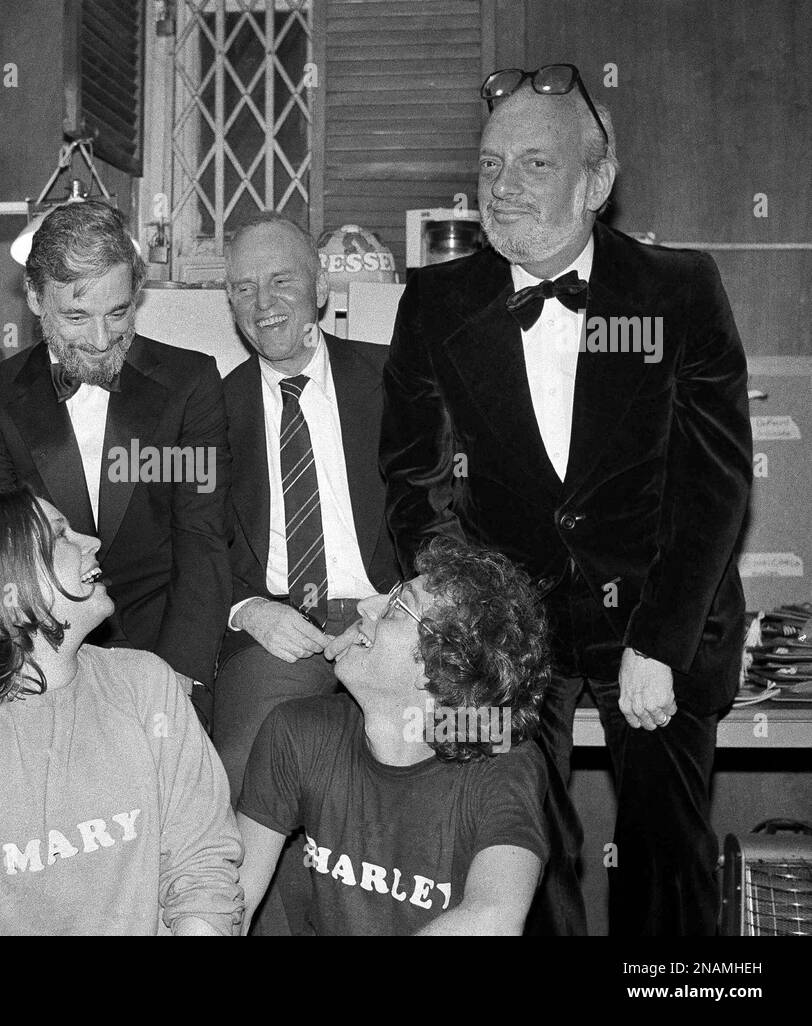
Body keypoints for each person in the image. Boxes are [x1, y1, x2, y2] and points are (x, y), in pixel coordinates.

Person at [380, 64, 752, 935]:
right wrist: (471, 628)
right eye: (489, 165)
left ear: (598, 180)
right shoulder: (436, 302)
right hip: (514, 626)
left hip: (662, 613)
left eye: (535, 165)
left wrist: (658, 641)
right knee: (517, 858)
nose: (502, 189)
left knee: (666, 858)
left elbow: (715, 483)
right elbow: (415, 484)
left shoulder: (679, 290)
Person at [0, 486, 243, 935]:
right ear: (6, 587)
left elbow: (200, 865)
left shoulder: (146, 684)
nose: (92, 542)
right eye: (60, 535)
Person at [0, 201, 231, 726]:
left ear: (138, 295)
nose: (102, 341)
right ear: (36, 298)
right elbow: (0, 559)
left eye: (118, 313)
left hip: (166, 643)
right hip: (43, 653)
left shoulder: (191, 384)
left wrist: (182, 674)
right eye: (77, 317)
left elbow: (202, 537)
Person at [215, 212, 399, 932]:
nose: (263, 303)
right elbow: (195, 542)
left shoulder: (389, 380)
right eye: (243, 288)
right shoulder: (212, 406)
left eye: (282, 280)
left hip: (389, 613)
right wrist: (246, 609)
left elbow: (441, 506)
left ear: (321, 289)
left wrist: (408, 603)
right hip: (278, 621)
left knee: (441, 756)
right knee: (244, 759)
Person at [239, 539, 550, 935]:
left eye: (396, 608)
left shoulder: (502, 758)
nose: (366, 605)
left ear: (442, 666)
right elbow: (234, 900)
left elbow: (494, 918)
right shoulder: (301, 730)